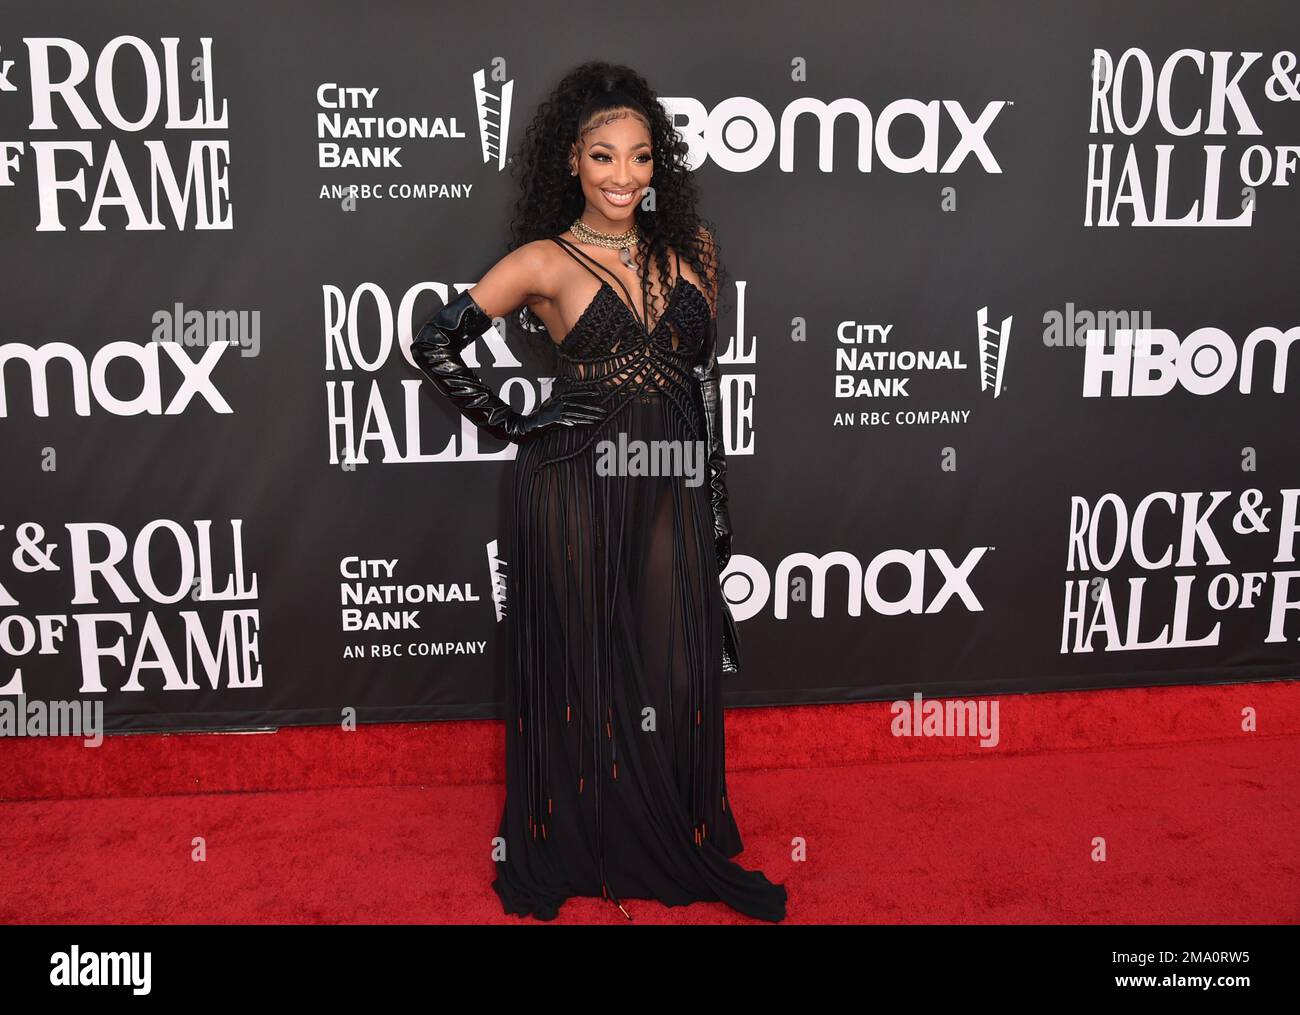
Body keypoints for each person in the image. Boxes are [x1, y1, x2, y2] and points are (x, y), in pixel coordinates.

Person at [410, 61, 787, 923]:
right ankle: (584, 838)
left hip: (670, 484)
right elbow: (434, 343)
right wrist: (519, 423)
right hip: (573, 482)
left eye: (641, 157)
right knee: (588, 663)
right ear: (572, 164)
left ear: (660, 165)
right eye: (603, 156)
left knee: (674, 664)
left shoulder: (694, 250)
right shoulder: (543, 260)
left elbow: (696, 382)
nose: (624, 175)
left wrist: (713, 495)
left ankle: (667, 824)